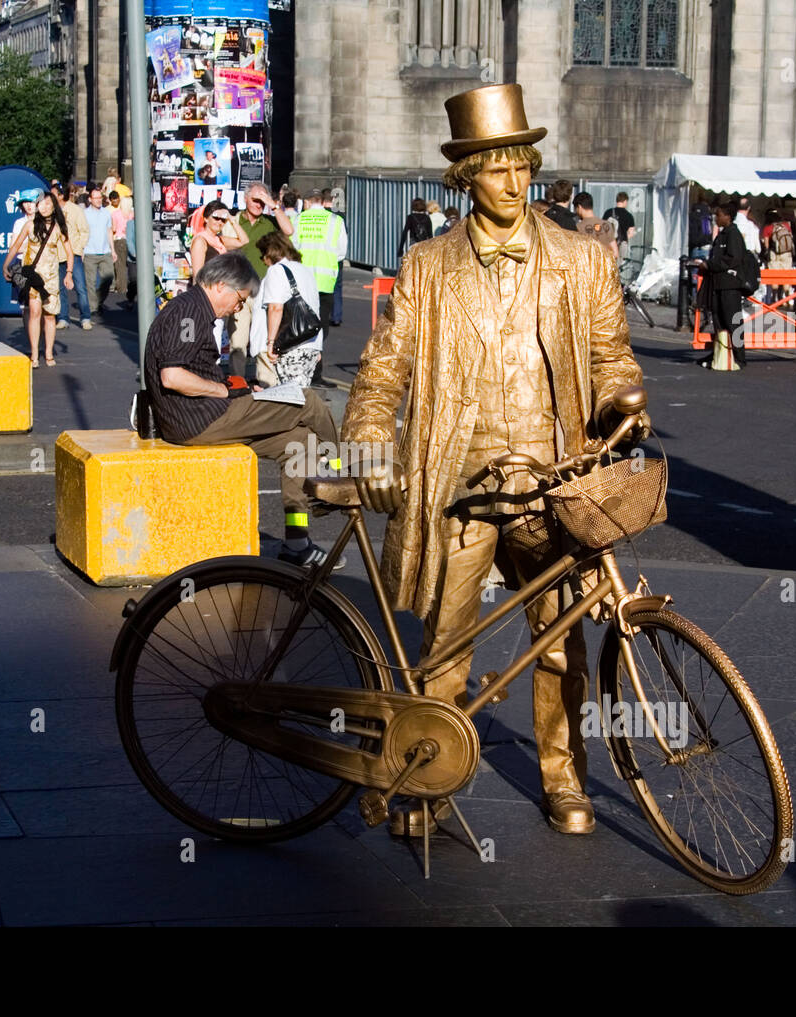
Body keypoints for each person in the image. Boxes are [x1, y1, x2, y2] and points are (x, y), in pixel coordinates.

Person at [341, 83, 646, 836]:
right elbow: (384, 368)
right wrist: (372, 442)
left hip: (554, 479)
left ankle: (564, 778)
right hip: (461, 478)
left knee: (560, 640)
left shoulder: (581, 260)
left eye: (522, 167)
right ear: (465, 177)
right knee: (446, 644)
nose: (514, 183)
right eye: (497, 169)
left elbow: (610, 357)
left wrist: (622, 399)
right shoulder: (428, 265)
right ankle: (426, 783)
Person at [145, 251, 345, 569]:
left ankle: (297, 543)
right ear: (220, 286)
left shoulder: (191, 310)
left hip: (201, 415)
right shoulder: (189, 314)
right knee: (306, 400)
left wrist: (238, 387)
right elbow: (173, 376)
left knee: (298, 443)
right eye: (240, 300)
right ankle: (338, 469)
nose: (238, 309)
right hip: (200, 418)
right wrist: (223, 390)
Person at [229, 182, 295, 378]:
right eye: (255, 200)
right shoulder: (234, 221)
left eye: (262, 201)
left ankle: (266, 383)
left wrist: (273, 205)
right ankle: (237, 383)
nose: (259, 205)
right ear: (245, 199)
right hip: (238, 291)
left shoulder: (269, 222)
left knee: (264, 341)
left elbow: (289, 230)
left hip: (264, 291)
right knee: (238, 343)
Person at [3, 191, 73, 366]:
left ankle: (48, 353)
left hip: (51, 276)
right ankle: (34, 353)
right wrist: (5, 265)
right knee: (34, 312)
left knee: (49, 315)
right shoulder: (29, 225)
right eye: (41, 203)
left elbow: (69, 252)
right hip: (34, 275)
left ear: (54, 207)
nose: (44, 207)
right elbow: (16, 246)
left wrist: (69, 273)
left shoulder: (58, 227)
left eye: (48, 204)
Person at [250, 232, 322, 389]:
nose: (263, 261)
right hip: (309, 344)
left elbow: (275, 308)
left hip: (286, 346)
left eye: (262, 256)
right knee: (298, 395)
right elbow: (313, 308)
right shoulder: (305, 270)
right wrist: (317, 347)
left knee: (276, 395)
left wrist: (271, 343)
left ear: (269, 253)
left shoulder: (276, 270)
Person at [292, 189, 347, 387]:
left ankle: (299, 371)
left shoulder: (299, 219)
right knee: (320, 330)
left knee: (301, 327)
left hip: (302, 281)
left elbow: (293, 247)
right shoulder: (335, 220)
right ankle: (315, 374)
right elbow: (341, 252)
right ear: (324, 202)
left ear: (307, 201)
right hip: (324, 282)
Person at [700, 200, 747, 372]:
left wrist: (710, 265)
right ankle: (720, 354)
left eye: (718, 215)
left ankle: (739, 357)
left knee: (733, 321)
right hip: (718, 284)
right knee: (719, 321)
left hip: (730, 285)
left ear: (727, 216)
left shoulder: (733, 235)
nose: (715, 218)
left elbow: (733, 258)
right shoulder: (722, 234)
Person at [53, 182, 91, 330]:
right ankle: (63, 318)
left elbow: (84, 231)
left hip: (73, 254)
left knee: (80, 286)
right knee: (59, 288)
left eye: (54, 194)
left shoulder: (75, 210)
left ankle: (85, 317)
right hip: (57, 255)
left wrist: (79, 249)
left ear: (61, 195)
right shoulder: (51, 211)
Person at [81, 186, 118, 321]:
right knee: (90, 282)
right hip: (89, 252)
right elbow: (82, 232)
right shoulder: (84, 214)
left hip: (105, 251)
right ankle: (93, 308)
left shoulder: (106, 213)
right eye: (95, 198)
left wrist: (113, 250)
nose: (98, 200)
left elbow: (109, 231)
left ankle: (98, 301)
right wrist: (81, 250)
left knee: (109, 279)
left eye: (100, 197)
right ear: (90, 199)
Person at [189, 199, 247, 276]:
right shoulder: (200, 241)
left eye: (223, 219)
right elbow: (197, 275)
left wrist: (231, 219)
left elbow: (244, 241)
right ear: (206, 219)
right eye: (216, 218)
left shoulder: (220, 240)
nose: (219, 222)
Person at [322, 188, 347, 325]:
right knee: (337, 288)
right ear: (332, 199)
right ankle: (336, 316)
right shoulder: (340, 217)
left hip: (321, 256)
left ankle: (322, 315)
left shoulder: (318, 216)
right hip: (336, 257)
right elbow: (343, 239)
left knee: (321, 288)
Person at [573, 191, 617, 261]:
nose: (576, 212)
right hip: (605, 265)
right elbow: (615, 254)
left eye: (576, 209)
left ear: (579, 207)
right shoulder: (607, 224)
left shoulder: (578, 227)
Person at [603, 191, 636, 262]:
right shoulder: (629, 216)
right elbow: (631, 233)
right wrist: (624, 237)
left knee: (608, 264)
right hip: (622, 244)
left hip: (609, 244)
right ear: (625, 201)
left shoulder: (608, 212)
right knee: (619, 265)